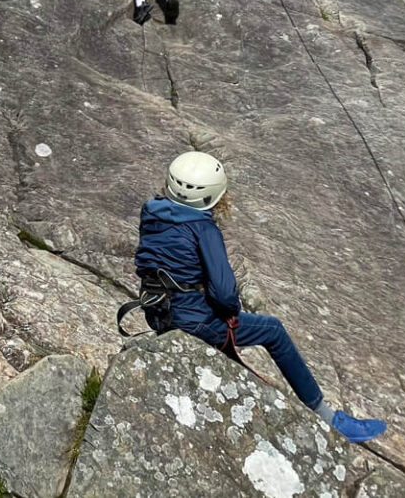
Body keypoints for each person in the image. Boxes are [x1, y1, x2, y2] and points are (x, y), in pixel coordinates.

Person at [129, 151, 387, 443]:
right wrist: (229, 312)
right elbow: (224, 293)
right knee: (273, 330)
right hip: (193, 321)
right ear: (214, 195)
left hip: (157, 312)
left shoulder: (151, 210)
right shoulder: (203, 229)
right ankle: (329, 419)